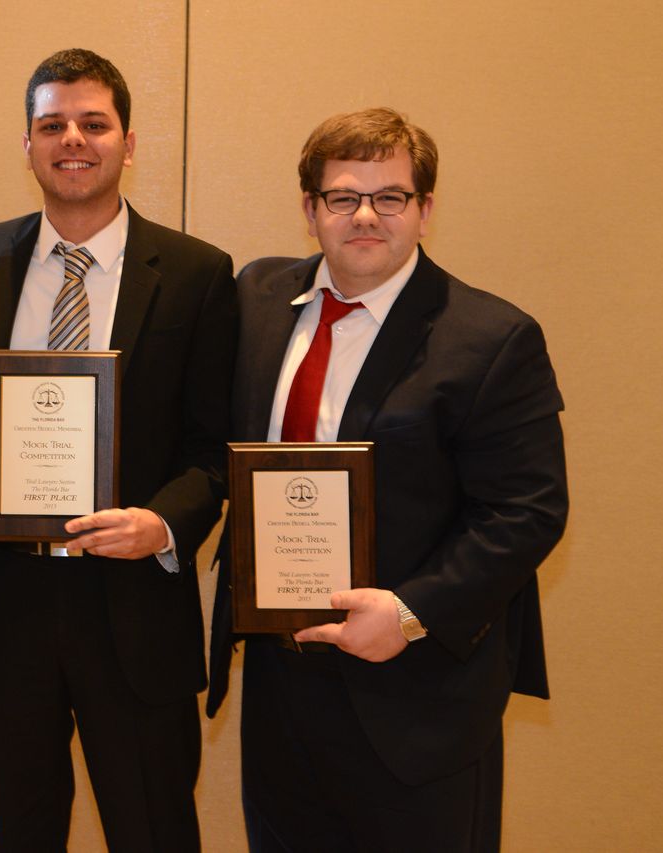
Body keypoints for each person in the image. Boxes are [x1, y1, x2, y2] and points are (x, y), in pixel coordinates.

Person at [207, 107, 569, 852]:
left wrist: (407, 611)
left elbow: (527, 511)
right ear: (310, 211)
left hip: (417, 696)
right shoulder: (258, 298)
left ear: (425, 210)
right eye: (342, 196)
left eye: (391, 196)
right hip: (283, 680)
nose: (365, 215)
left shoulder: (491, 338)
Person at [0, 48, 237, 851]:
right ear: (28, 144)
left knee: (153, 831)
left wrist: (162, 524)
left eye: (93, 123)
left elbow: (212, 448)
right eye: (52, 124)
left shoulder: (194, 273)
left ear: (128, 139)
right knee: (20, 830)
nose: (72, 139)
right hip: (8, 605)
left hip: (135, 611)